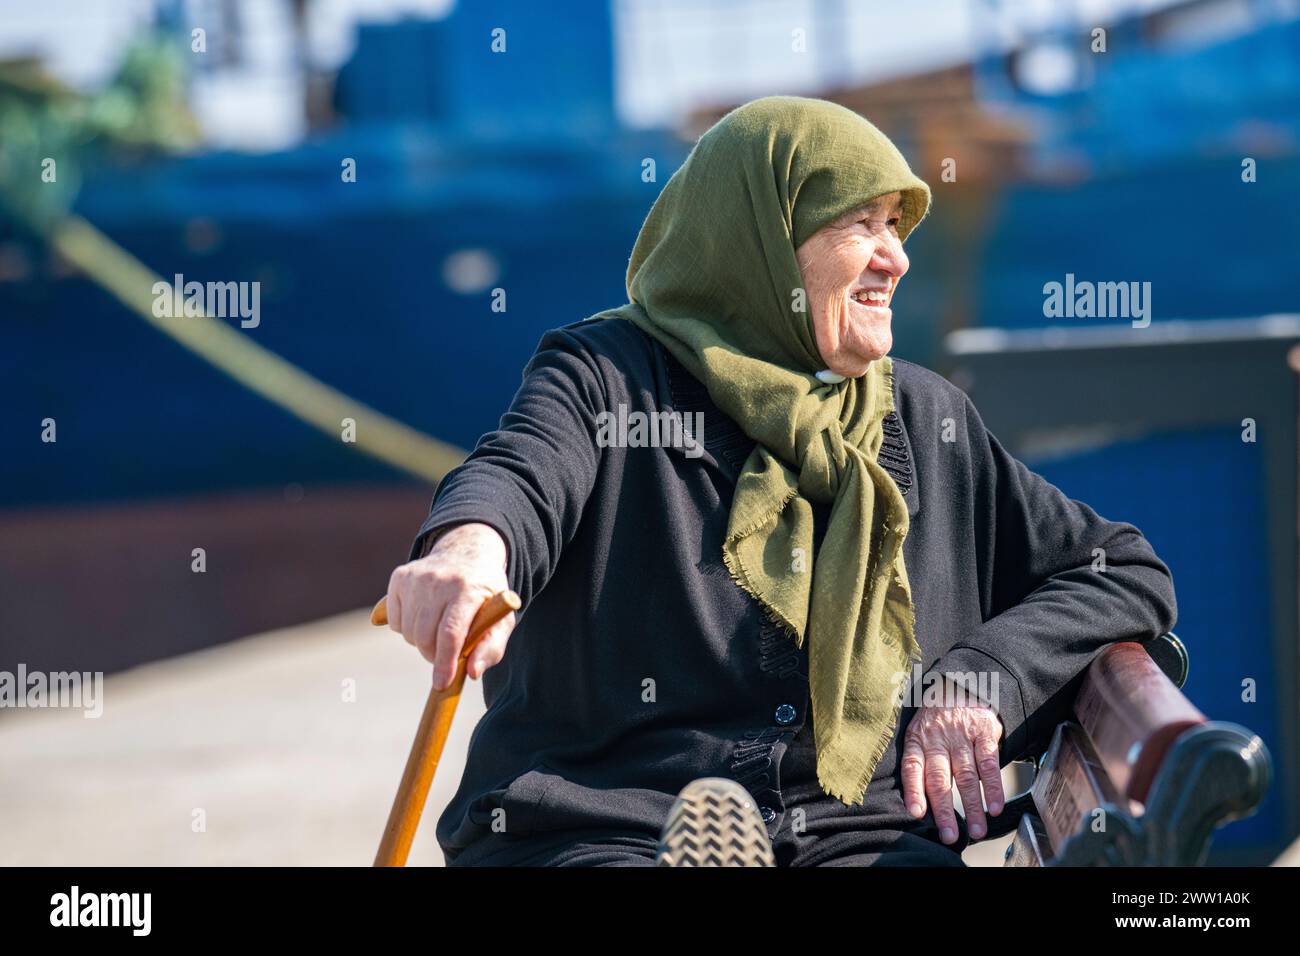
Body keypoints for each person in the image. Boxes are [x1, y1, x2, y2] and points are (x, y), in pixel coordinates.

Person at [383, 95, 1177, 867]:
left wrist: (983, 679)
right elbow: (519, 476)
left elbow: (1119, 572)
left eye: (895, 226)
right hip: (610, 825)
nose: (895, 255)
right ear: (760, 240)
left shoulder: (924, 417)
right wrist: (471, 551)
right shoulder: (607, 378)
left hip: (857, 839)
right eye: (860, 223)